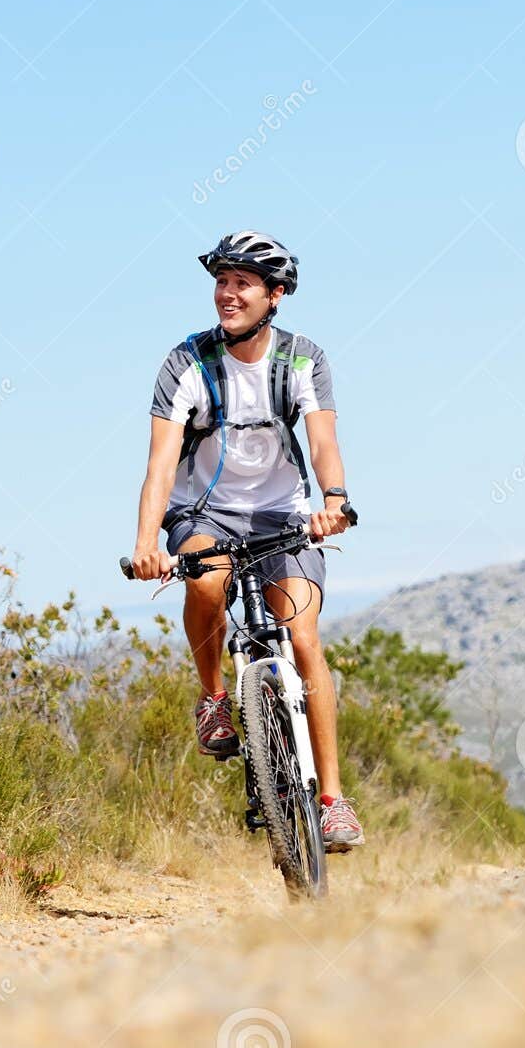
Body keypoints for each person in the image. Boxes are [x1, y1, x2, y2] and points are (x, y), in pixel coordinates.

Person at [130, 230, 364, 851]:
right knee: (204, 580)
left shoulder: (302, 360)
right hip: (204, 512)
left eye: (243, 284)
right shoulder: (187, 362)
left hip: (285, 517)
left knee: (305, 637)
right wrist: (147, 541)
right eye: (221, 282)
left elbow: (322, 442)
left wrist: (333, 503)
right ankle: (213, 698)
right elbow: (160, 463)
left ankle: (334, 800)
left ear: (275, 295)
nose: (227, 295)